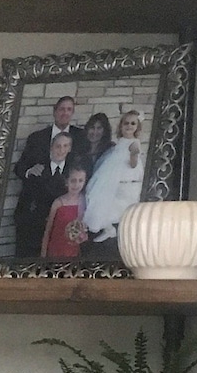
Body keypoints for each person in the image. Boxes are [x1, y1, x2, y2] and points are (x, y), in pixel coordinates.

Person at [83, 107, 147, 244]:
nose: (129, 126)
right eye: (126, 123)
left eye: (133, 123)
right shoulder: (120, 142)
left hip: (126, 181)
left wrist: (134, 155)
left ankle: (120, 234)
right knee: (97, 198)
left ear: (137, 127)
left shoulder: (134, 143)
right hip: (112, 176)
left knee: (118, 208)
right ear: (121, 126)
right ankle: (109, 229)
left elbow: (133, 164)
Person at [11, 131, 76, 256]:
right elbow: (19, 171)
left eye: (65, 146)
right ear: (51, 147)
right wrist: (29, 171)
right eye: (58, 146)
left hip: (58, 228)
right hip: (32, 225)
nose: (61, 150)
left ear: (70, 148)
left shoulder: (72, 170)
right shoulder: (38, 165)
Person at [40, 160, 90, 260]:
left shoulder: (86, 201)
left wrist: (83, 237)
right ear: (66, 181)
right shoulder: (58, 203)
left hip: (74, 252)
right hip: (56, 250)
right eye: (73, 180)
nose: (76, 185)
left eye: (80, 180)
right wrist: (43, 255)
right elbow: (48, 230)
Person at [79, 111, 114, 175]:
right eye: (92, 127)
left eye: (99, 128)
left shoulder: (110, 150)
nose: (95, 132)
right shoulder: (80, 149)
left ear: (104, 131)